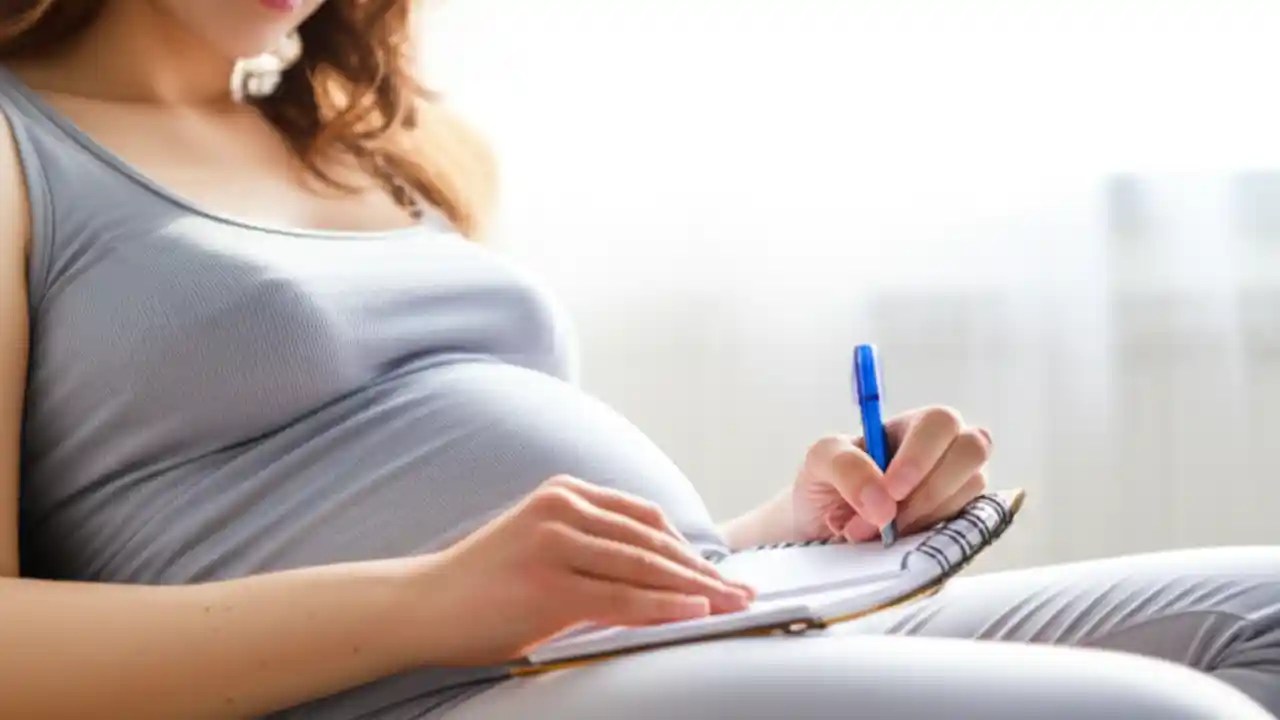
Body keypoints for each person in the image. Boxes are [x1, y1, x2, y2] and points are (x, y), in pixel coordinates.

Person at [0, 2, 1275, 718]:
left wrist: (788, 531)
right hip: (429, 694)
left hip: (681, 628)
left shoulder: (369, 145)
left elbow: (515, 551)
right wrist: (427, 604)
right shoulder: (22, 150)